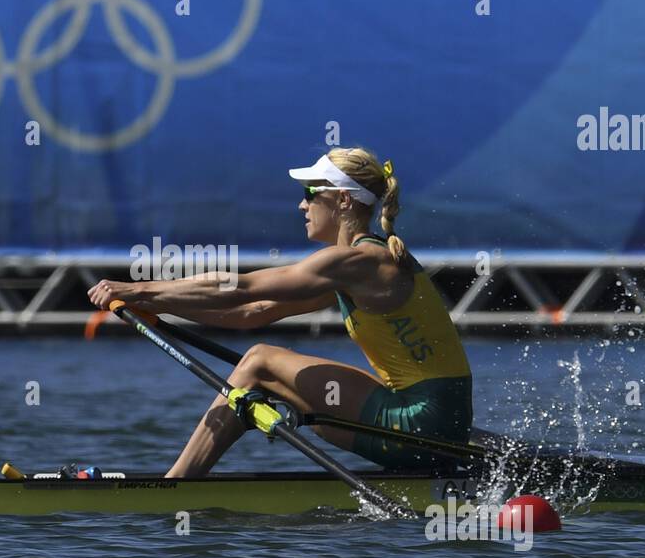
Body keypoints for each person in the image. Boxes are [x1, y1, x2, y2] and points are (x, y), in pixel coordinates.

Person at [87, 147, 473, 478]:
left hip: (419, 424)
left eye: (310, 192)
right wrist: (154, 304)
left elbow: (243, 288)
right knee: (260, 364)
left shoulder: (360, 262)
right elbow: (253, 312)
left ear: (343, 200)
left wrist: (137, 288)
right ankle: (182, 480)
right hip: (439, 423)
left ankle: (174, 484)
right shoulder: (359, 267)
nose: (302, 204)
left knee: (259, 362)